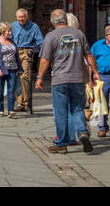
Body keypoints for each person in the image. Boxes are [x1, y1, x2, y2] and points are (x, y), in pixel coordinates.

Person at [36, 9, 98, 153]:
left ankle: (61, 144)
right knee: (77, 109)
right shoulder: (79, 34)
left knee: (61, 112)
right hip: (78, 79)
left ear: (52, 21)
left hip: (60, 80)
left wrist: (39, 77)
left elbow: (45, 59)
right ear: (65, 19)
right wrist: (95, 73)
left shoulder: (51, 36)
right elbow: (89, 56)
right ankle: (82, 132)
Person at [12, 9, 43, 114]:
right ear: (16, 17)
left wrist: (33, 49)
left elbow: (40, 41)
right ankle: (20, 103)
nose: (21, 19)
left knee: (24, 76)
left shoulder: (34, 27)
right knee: (15, 77)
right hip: (14, 52)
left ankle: (24, 104)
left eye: (23, 17)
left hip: (27, 52)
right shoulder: (13, 26)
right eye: (19, 17)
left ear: (27, 17)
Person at [0, 23, 21, 116]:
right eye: (8, 31)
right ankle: (0, 109)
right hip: (1, 69)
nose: (10, 33)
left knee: (11, 90)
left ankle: (11, 110)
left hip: (13, 69)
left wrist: (19, 68)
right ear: (2, 31)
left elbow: (17, 56)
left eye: (10, 31)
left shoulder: (12, 41)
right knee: (0, 91)